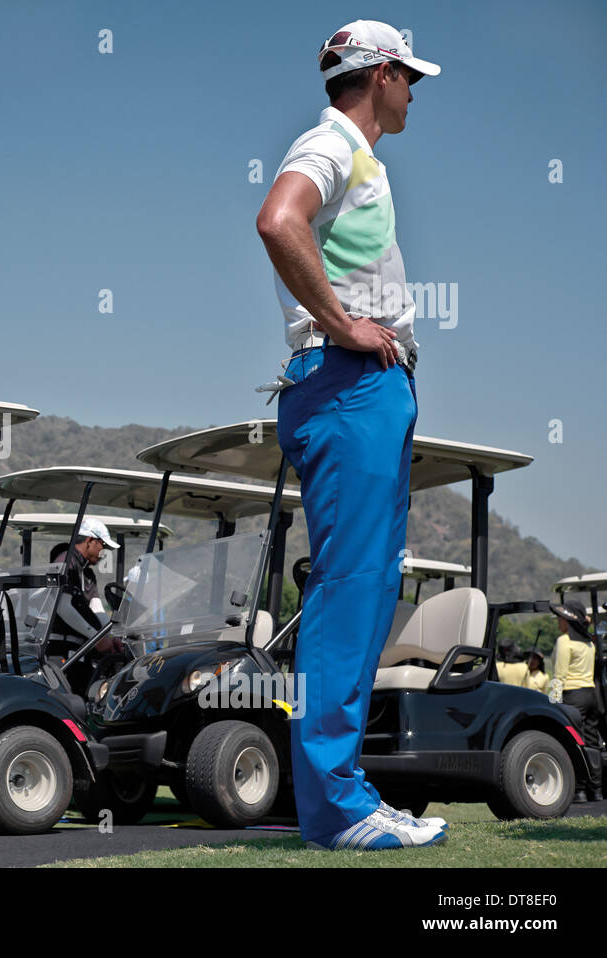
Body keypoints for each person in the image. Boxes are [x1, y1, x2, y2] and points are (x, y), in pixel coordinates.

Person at [256, 20, 446, 851]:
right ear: (380, 76)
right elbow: (277, 220)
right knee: (350, 589)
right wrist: (344, 325)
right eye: (410, 76)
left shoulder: (356, 155)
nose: (415, 90)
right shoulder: (331, 143)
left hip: (362, 389)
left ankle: (347, 795)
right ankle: (335, 806)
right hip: (348, 385)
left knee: (366, 592)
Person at [46, 517, 121, 693]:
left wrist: (110, 636)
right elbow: (63, 607)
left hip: (80, 650)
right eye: (102, 544)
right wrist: (97, 639)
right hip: (61, 651)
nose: (103, 550)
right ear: (90, 541)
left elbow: (97, 608)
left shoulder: (87, 572)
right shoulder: (65, 562)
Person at [548, 600, 602, 801]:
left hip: (572, 696)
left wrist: (552, 701)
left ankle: (578, 790)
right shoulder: (588, 642)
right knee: (592, 741)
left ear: (568, 621)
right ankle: (595, 790)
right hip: (591, 695)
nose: (558, 622)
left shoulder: (564, 641)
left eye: (560, 618)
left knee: (574, 742)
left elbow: (560, 674)